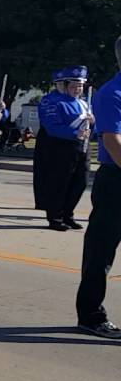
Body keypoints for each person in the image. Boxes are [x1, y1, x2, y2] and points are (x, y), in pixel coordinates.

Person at [74, 36, 121, 339]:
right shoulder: (112, 94)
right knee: (100, 252)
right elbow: (113, 142)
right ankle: (91, 315)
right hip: (116, 180)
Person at [34, 66, 93, 231]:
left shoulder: (84, 103)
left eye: (80, 86)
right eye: (73, 85)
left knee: (80, 182)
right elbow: (52, 127)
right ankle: (55, 217)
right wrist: (75, 132)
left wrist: (93, 122)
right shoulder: (52, 101)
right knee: (59, 183)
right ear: (64, 85)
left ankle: (68, 214)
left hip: (81, 147)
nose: (77, 89)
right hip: (61, 148)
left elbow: (92, 128)